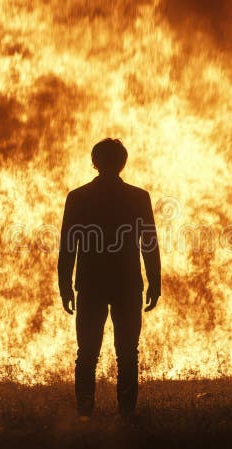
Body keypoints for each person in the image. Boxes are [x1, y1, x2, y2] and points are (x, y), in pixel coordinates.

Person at [57, 138, 161, 419]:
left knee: (87, 353)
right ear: (122, 163)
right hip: (128, 284)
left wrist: (64, 285)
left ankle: (84, 413)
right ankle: (126, 414)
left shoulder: (78, 197)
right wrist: (155, 280)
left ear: (95, 162)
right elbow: (149, 242)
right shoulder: (139, 197)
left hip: (90, 285)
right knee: (128, 353)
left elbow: (68, 245)